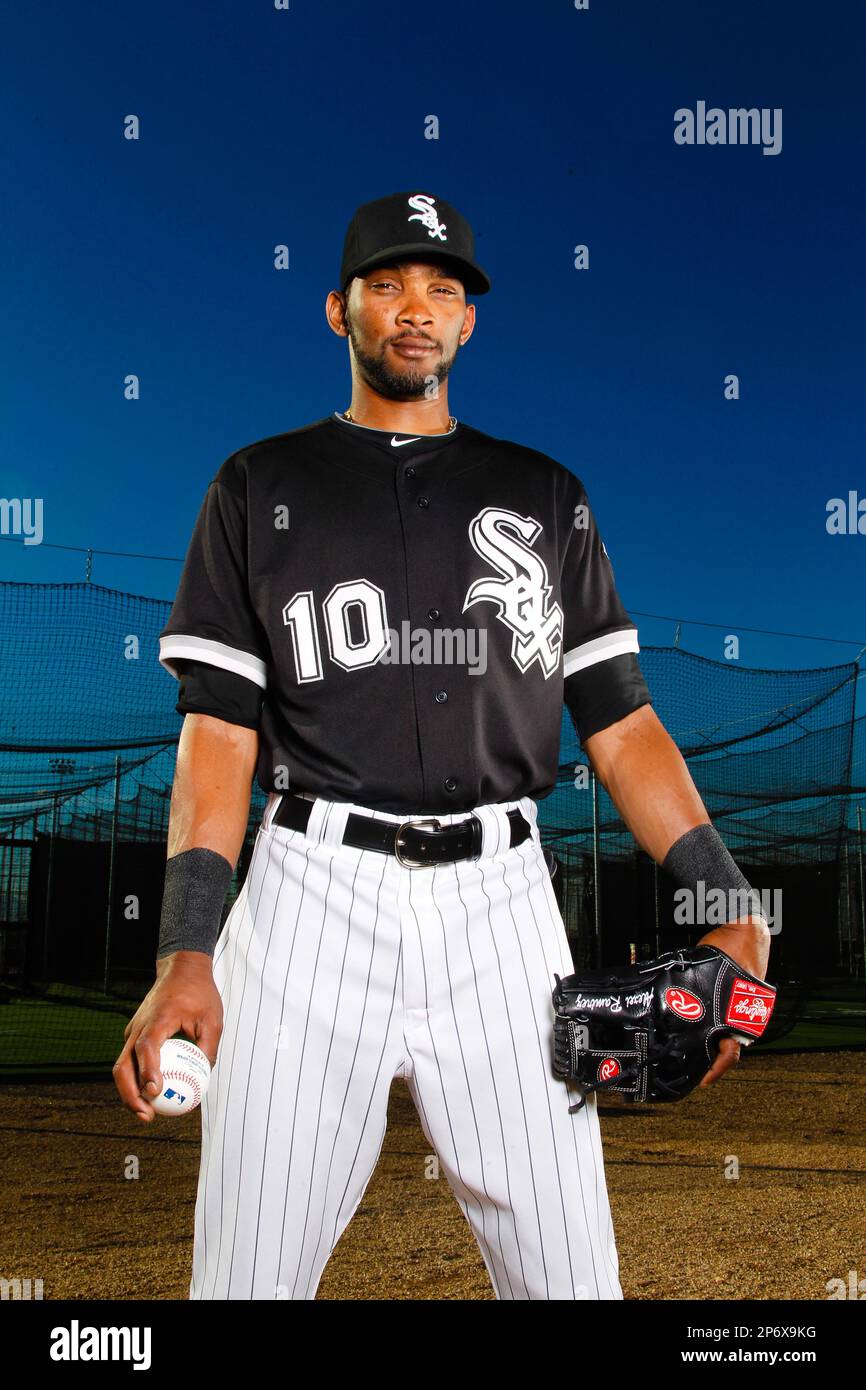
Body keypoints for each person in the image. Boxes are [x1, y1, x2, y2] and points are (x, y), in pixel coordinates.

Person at [113, 190, 770, 1301]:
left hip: (503, 910)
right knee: (245, 1281)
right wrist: (187, 949)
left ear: (468, 322)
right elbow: (219, 735)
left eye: (441, 288)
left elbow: (620, 720)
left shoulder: (542, 493)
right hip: (309, 894)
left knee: (570, 1281)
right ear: (339, 311)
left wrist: (730, 901)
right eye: (387, 284)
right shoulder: (256, 486)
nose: (415, 308)